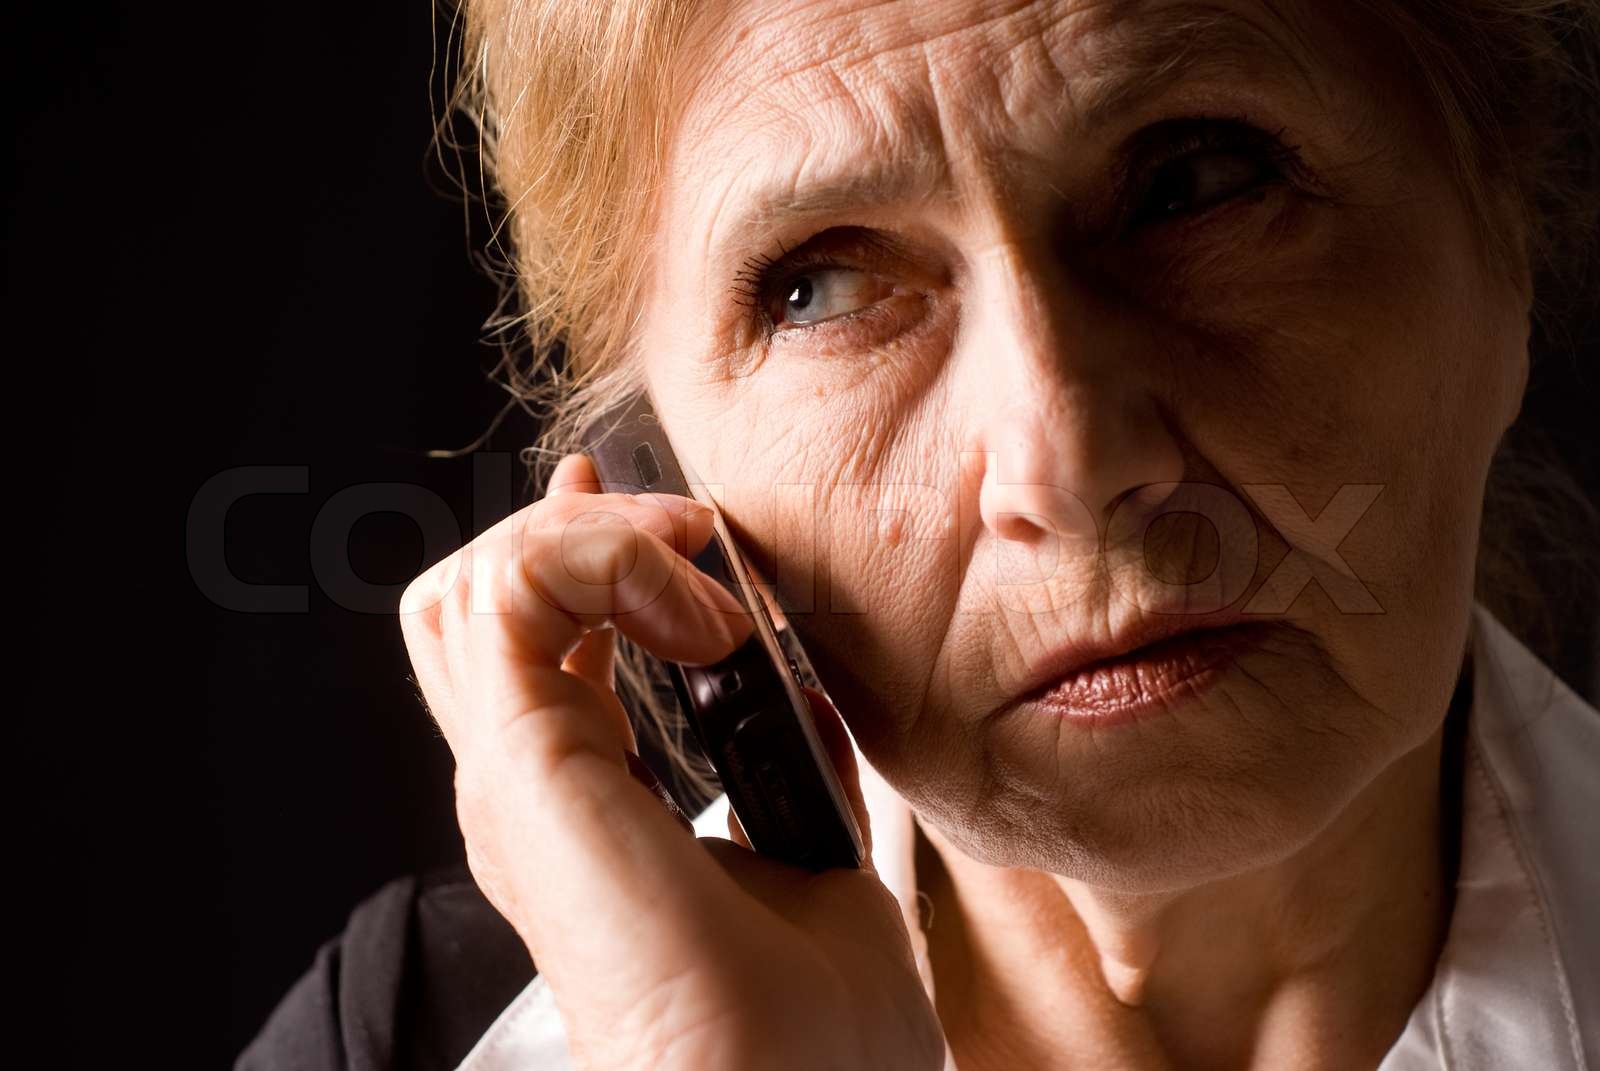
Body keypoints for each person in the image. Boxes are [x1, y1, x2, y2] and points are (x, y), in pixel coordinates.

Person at [240, 1, 1600, 1067]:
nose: (1066, 464)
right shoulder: (408, 1038)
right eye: (822, 285)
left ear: (1502, 243)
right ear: (668, 466)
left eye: (1195, 180)